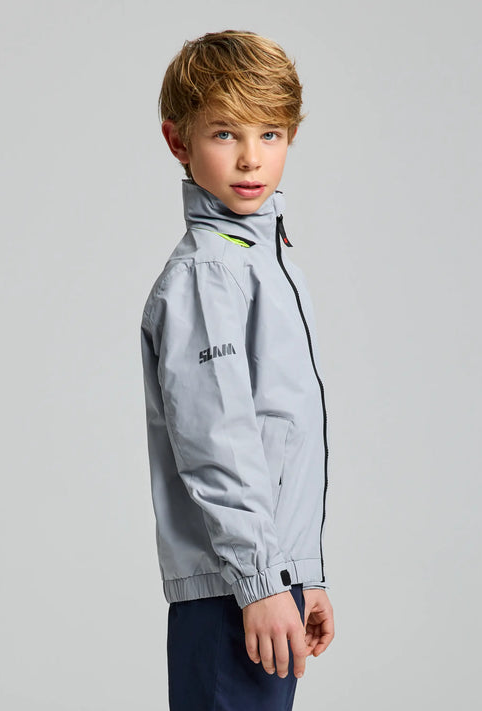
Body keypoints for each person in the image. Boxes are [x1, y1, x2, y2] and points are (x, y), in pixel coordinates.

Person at [140, 29, 335, 711]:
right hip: (234, 589)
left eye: (270, 133)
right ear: (178, 141)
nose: (251, 157)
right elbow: (217, 443)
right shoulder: (208, 276)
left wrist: (303, 574)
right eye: (225, 133)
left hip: (267, 582)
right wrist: (261, 580)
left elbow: (279, 434)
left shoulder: (263, 266)